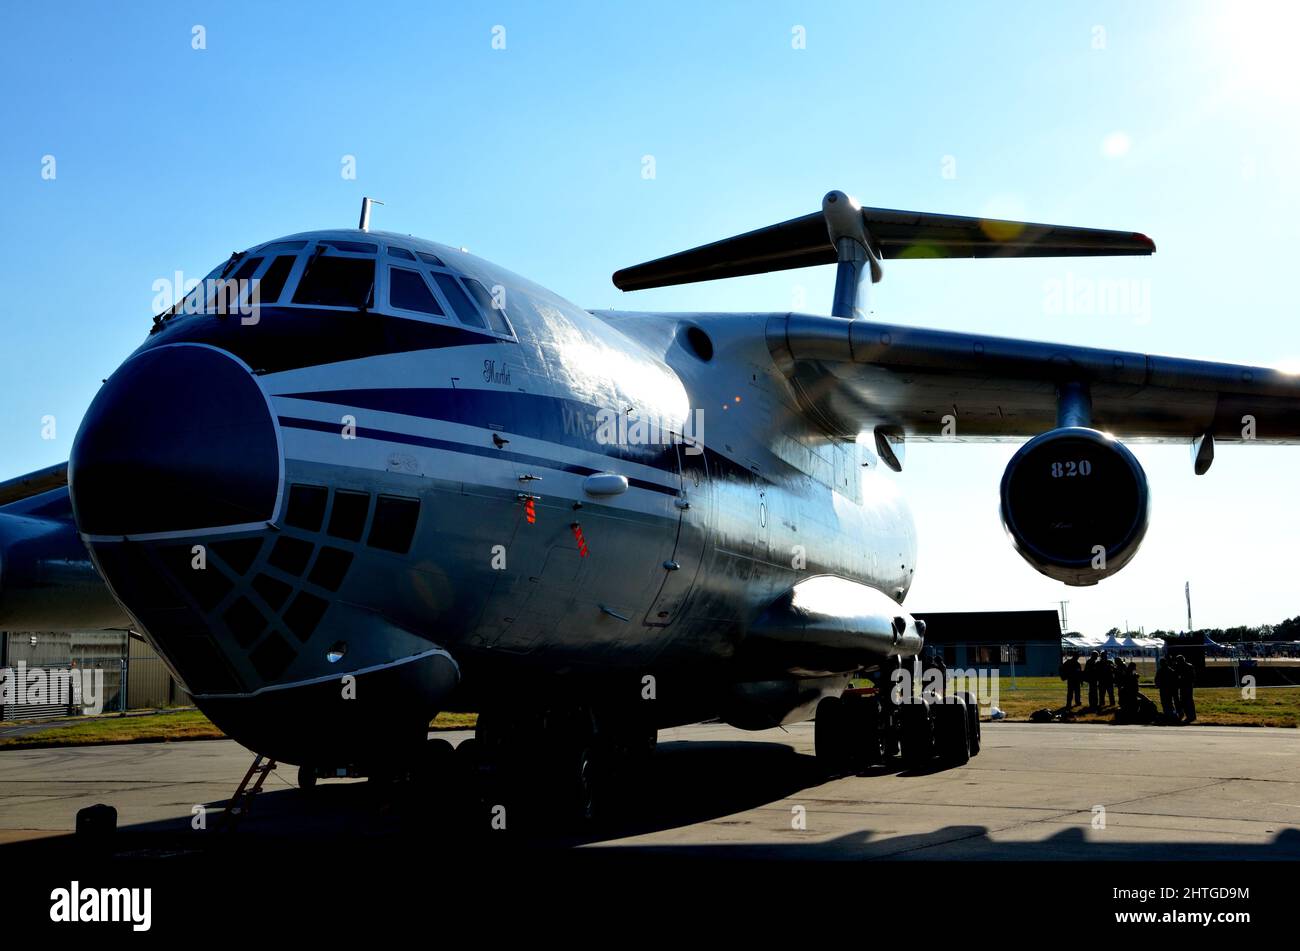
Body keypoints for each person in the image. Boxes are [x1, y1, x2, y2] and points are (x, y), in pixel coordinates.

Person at [1176, 655, 1197, 723]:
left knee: (1185, 701)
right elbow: (1193, 677)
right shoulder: (1190, 666)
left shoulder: (1182, 667)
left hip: (1184, 686)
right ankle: (1192, 716)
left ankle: (1189, 716)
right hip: (1188, 686)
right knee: (1189, 701)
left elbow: (1179, 676)